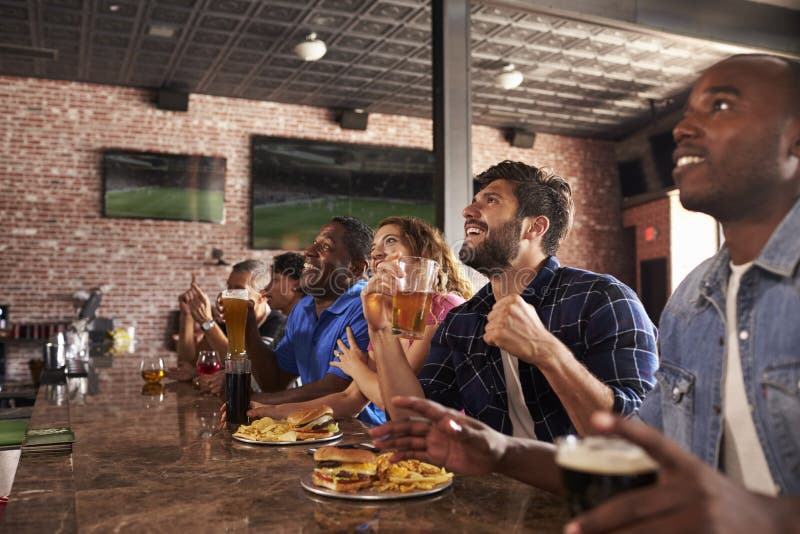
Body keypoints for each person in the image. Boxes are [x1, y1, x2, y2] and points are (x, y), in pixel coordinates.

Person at [369, 54, 800, 532]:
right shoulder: (692, 302)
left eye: (720, 105)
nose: (682, 128)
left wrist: (547, 352)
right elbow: (634, 454)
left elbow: (625, 435)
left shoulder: (604, 299)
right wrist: (500, 451)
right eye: (688, 111)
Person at [366, 161, 658, 440]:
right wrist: (381, 329)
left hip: (589, 489)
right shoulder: (462, 321)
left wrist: (547, 352)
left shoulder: (602, 299)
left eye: (491, 200)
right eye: (475, 200)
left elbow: (636, 435)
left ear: (534, 227)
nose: (468, 210)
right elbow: (414, 423)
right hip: (497, 490)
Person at [247, 216, 473, 421]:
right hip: (400, 442)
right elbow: (348, 399)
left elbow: (393, 400)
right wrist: (269, 411)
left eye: (390, 241)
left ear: (422, 252)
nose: (376, 253)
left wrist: (357, 368)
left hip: (442, 450)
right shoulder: (384, 314)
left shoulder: (444, 306)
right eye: (374, 247)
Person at [241, 216, 387, 425]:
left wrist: (255, 401)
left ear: (355, 269)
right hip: (311, 431)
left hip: (362, 435)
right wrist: (248, 325)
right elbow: (274, 382)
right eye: (314, 243)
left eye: (325, 246)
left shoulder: (365, 306)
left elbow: (336, 387)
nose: (308, 251)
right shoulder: (303, 308)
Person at [167, 260, 277, 388]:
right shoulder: (226, 320)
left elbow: (248, 368)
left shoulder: (276, 325)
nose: (229, 294)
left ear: (263, 295)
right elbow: (187, 364)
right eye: (229, 287)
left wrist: (208, 323)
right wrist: (187, 315)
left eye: (239, 289)